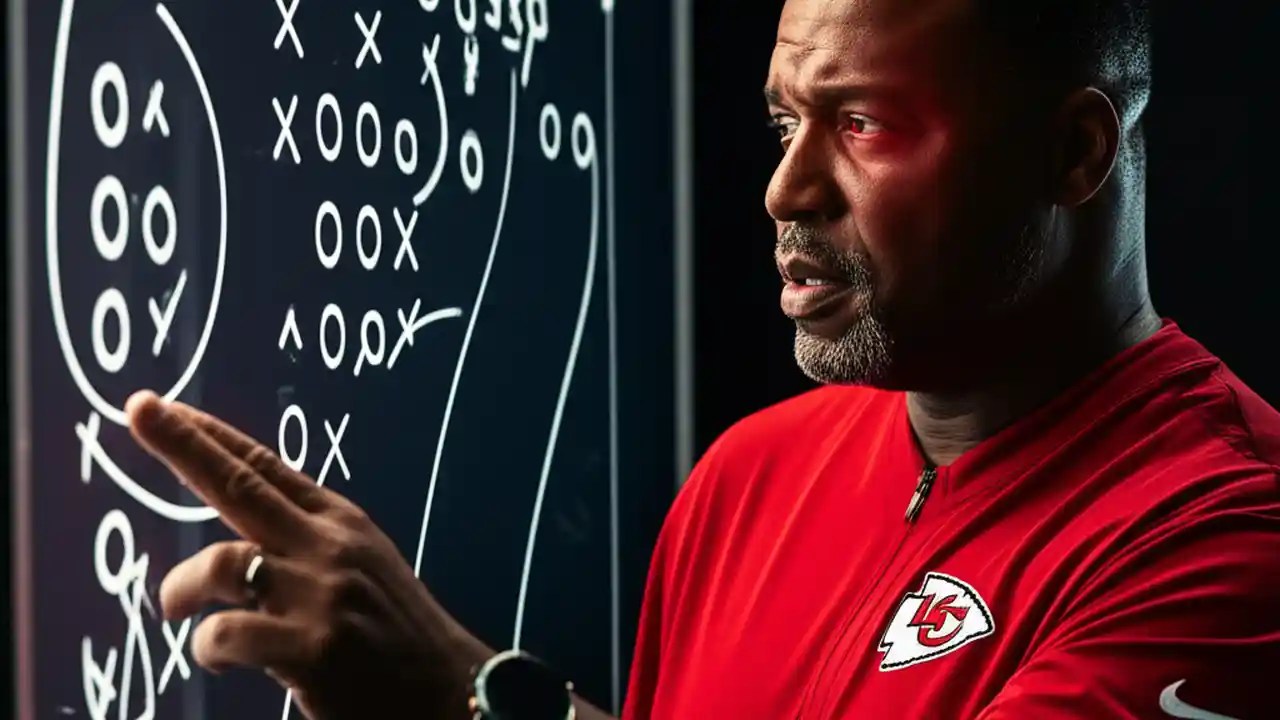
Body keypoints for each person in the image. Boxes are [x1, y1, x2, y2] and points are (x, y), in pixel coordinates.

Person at [124, 0, 1280, 717]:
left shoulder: (1223, 542)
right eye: (787, 122)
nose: (785, 187)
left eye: (862, 122)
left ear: (1072, 151)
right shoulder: (749, 475)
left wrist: (456, 698)